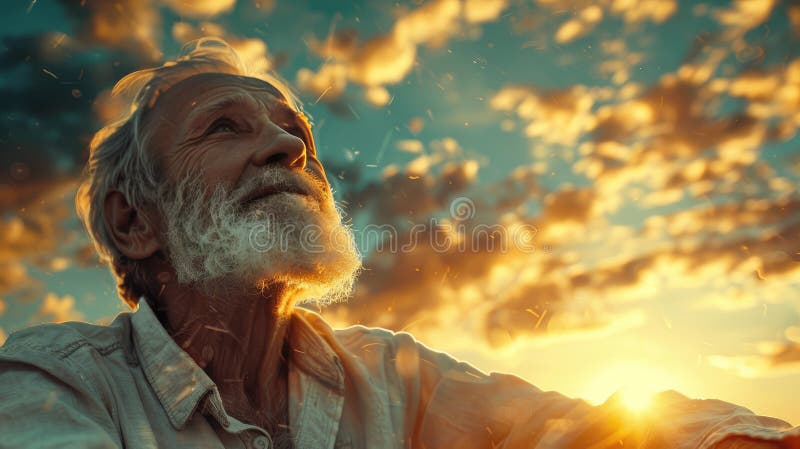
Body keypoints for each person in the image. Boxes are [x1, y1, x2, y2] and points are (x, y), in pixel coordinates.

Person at [0, 38, 796, 449]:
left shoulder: (389, 372)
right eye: (226, 128)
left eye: (296, 134)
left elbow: (569, 426)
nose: (287, 150)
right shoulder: (49, 379)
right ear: (136, 220)